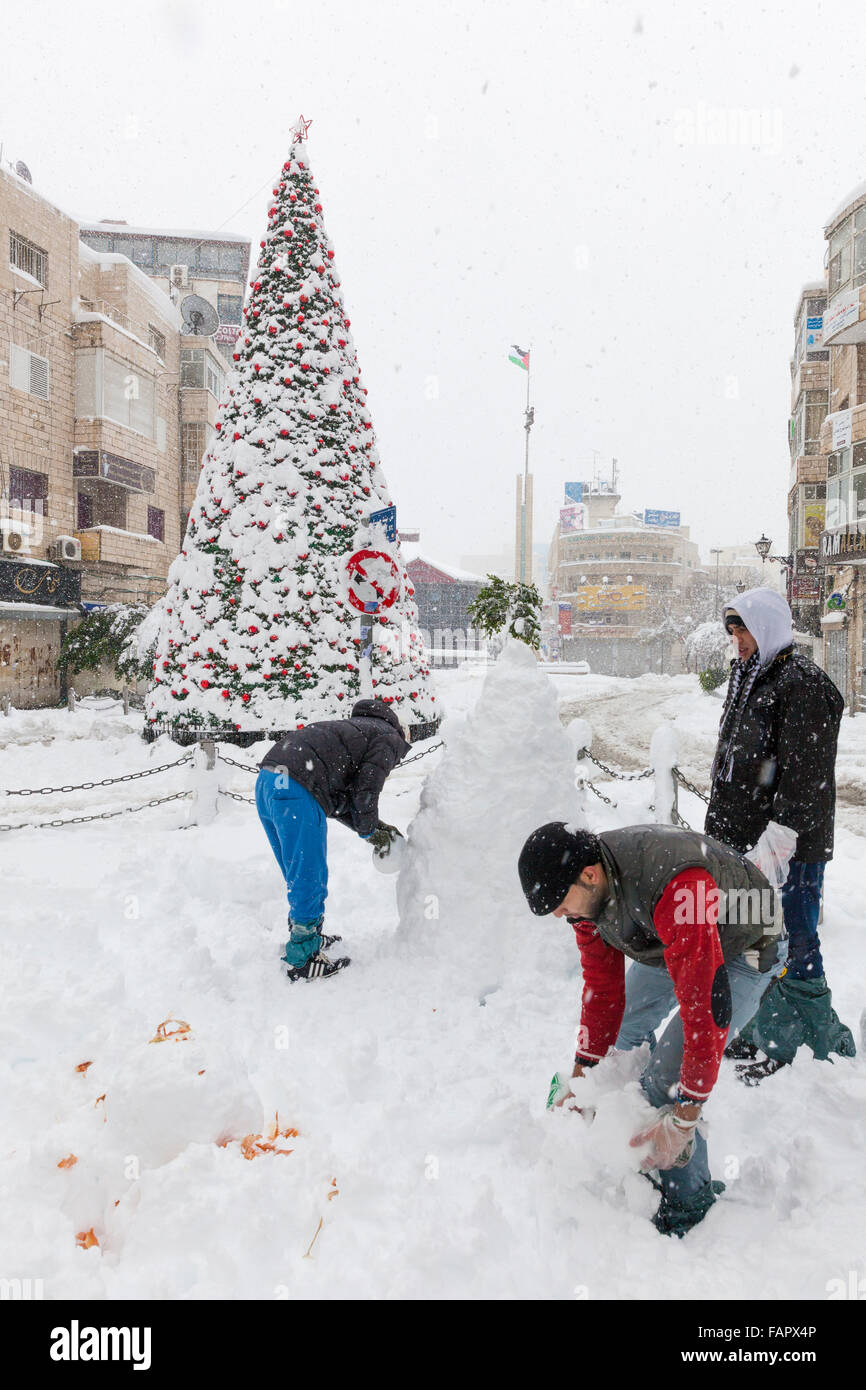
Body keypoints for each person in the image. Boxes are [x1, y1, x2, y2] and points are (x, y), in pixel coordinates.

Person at [518, 821, 787, 1237]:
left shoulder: (678, 885)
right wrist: (583, 1071)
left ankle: (688, 1201)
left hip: (746, 945)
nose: (558, 914)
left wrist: (684, 1117)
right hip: (670, 935)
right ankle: (641, 1144)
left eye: (558, 902)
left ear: (589, 874)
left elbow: (705, 1012)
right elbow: (603, 991)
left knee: (668, 1077)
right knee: (622, 1041)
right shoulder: (589, 892)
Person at [704, 588, 855, 1081]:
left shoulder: (802, 683)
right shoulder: (750, 676)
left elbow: (806, 774)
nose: (737, 640)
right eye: (732, 631)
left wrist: (778, 838)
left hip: (791, 845)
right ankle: (765, 1029)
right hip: (748, 843)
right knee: (757, 939)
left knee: (796, 936)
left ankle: (811, 1039)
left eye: (743, 629)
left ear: (767, 627)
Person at [256, 697, 409, 980]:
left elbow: (341, 802)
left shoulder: (355, 730)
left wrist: (370, 827)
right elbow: (365, 793)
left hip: (271, 778)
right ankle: (302, 958)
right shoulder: (388, 738)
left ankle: (307, 935)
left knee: (297, 869)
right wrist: (373, 833)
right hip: (296, 787)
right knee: (308, 874)